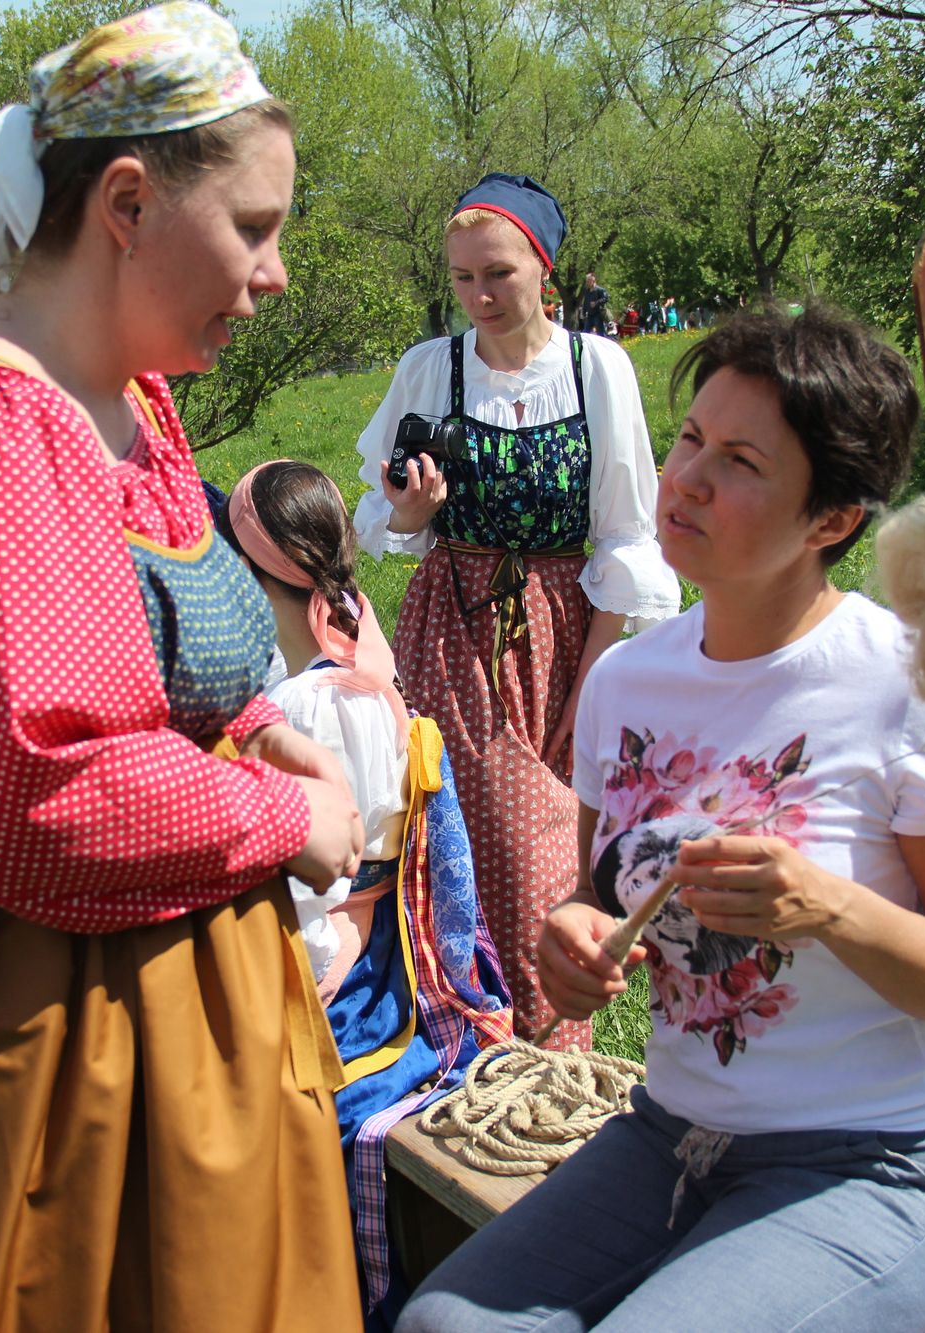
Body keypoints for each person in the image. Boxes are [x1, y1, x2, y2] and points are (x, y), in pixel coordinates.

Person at [0, 7, 370, 1330]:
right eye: (255, 227)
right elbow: (38, 792)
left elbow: (165, 665)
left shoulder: (136, 404)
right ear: (127, 201)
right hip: (44, 1020)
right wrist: (295, 816)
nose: (273, 273)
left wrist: (264, 728)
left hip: (189, 995)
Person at [398, 305, 925, 1332]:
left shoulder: (899, 685)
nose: (684, 477)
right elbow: (591, 896)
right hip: (670, 1135)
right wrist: (571, 940)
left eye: (738, 461)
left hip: (882, 1161)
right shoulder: (626, 681)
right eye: (689, 437)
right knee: (443, 1325)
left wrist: (828, 908)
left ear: (830, 520)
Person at [353, 174, 679, 1050]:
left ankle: (538, 1075)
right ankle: (495, 1057)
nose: (480, 296)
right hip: (453, 630)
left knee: (556, 847)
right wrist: (413, 516)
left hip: (567, 633)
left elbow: (624, 534)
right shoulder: (433, 368)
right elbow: (379, 515)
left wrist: (594, 680)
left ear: (543, 267)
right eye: (462, 278)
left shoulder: (593, 368)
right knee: (478, 850)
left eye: (497, 273)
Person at [221, 459, 513, 1322]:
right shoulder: (360, 665)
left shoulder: (309, 708)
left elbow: (317, 893)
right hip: (389, 952)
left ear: (248, 574)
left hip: (345, 982)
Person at [579, 270, 611, 335]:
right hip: (589, 315)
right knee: (585, 333)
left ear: (593, 281)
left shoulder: (600, 290)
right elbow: (585, 302)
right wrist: (583, 313)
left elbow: (606, 298)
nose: (587, 283)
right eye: (586, 281)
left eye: (588, 281)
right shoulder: (587, 291)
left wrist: (596, 303)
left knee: (600, 333)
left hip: (598, 315)